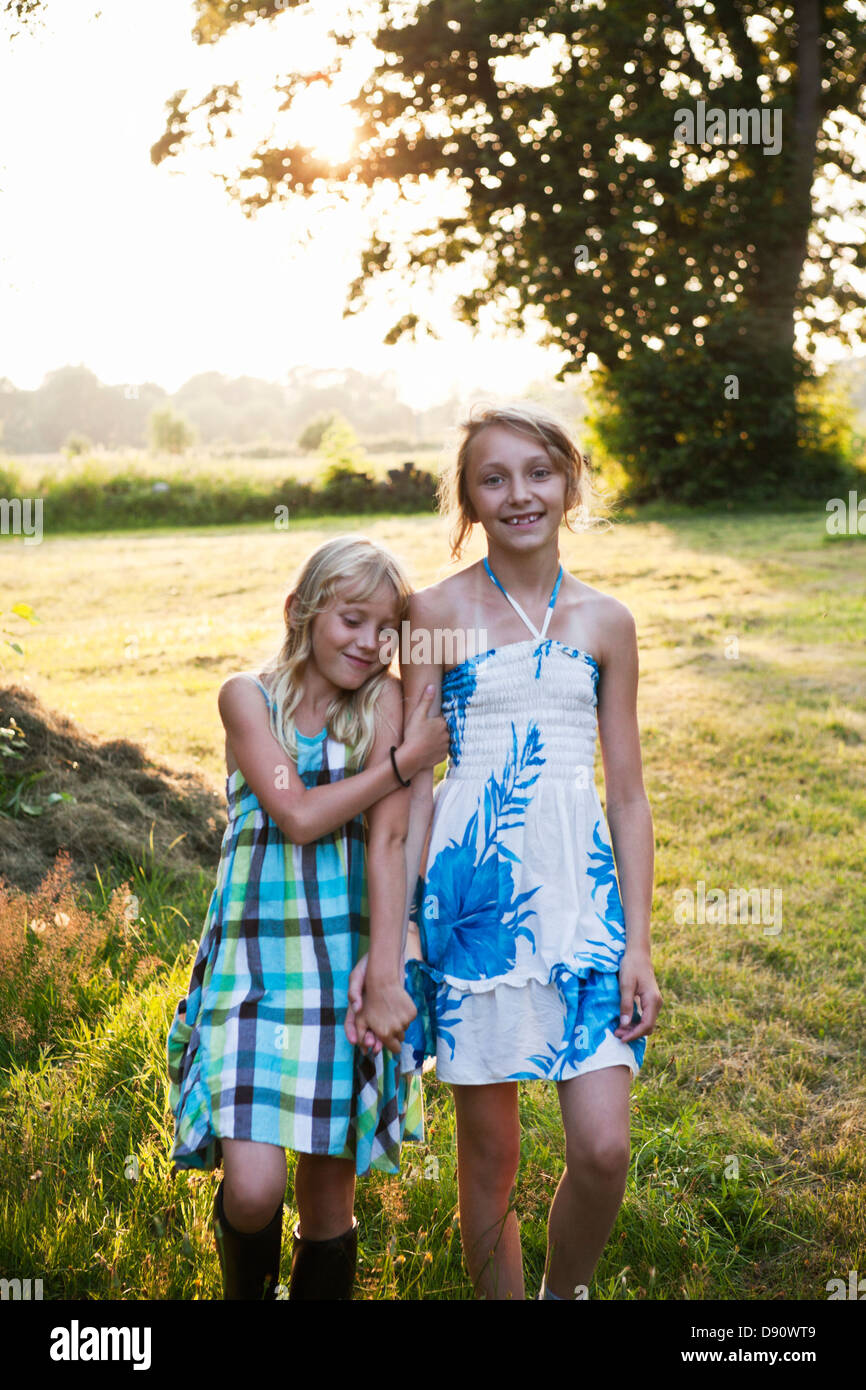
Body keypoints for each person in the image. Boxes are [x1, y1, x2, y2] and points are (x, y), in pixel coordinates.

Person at [352, 403, 662, 1301]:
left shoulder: (607, 622)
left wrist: (638, 941)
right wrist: (402, 937)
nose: (519, 493)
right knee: (491, 1158)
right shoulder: (437, 611)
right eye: (494, 478)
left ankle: (565, 1293)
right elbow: (409, 783)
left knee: (603, 1149)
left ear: (568, 484)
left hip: (581, 901)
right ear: (470, 501)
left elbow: (630, 794)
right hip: (470, 905)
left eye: (537, 472)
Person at [166, 536, 450, 1301]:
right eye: (352, 620)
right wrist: (400, 763)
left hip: (345, 961)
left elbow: (393, 834)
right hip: (256, 968)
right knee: (254, 1185)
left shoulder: (384, 702)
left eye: (387, 630)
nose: (370, 643)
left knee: (330, 1197)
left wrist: (390, 960)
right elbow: (293, 813)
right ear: (301, 613)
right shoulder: (247, 698)